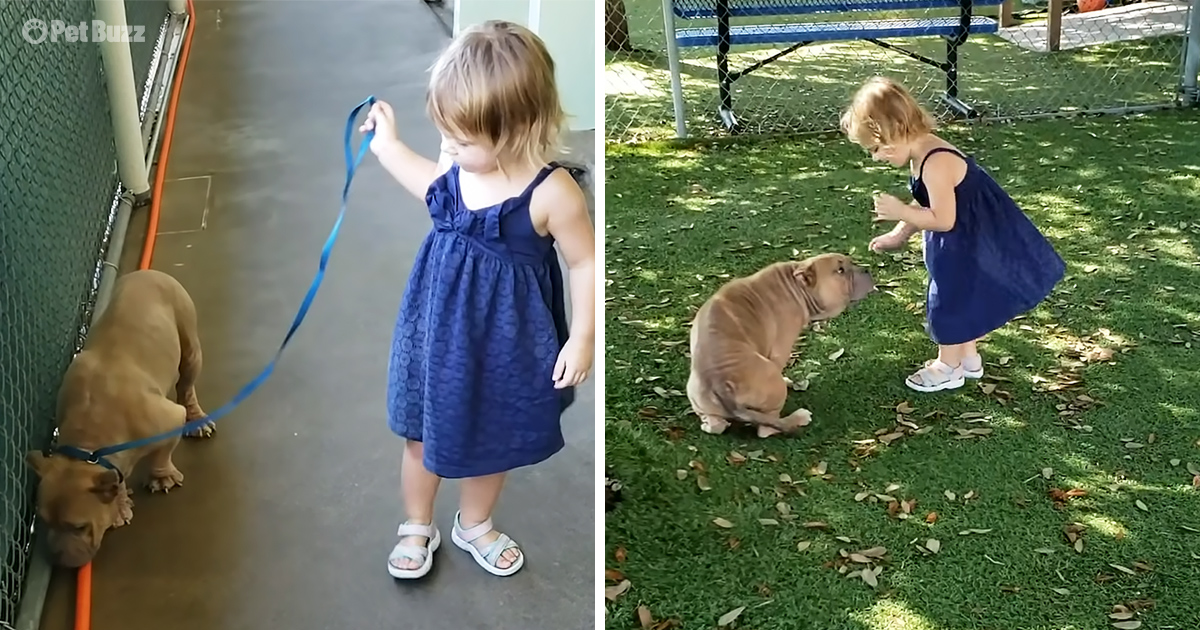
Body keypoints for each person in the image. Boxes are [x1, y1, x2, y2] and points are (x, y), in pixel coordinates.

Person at [358, 20, 595, 579]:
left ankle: (474, 523)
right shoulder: (458, 168)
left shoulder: (550, 193)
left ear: (518, 128)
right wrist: (387, 145)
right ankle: (417, 521)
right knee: (421, 432)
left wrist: (582, 339)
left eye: (461, 141)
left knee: (489, 437)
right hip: (437, 329)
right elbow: (430, 187)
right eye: (444, 134)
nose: (448, 148)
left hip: (504, 343)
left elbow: (584, 261)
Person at [840, 76, 1065, 393]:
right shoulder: (921, 153)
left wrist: (900, 212)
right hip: (963, 240)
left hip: (969, 244)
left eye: (877, 148)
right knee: (963, 299)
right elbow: (927, 201)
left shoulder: (936, 162)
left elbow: (943, 219)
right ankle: (969, 358)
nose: (876, 157)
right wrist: (899, 234)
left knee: (947, 301)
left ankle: (947, 367)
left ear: (896, 129)